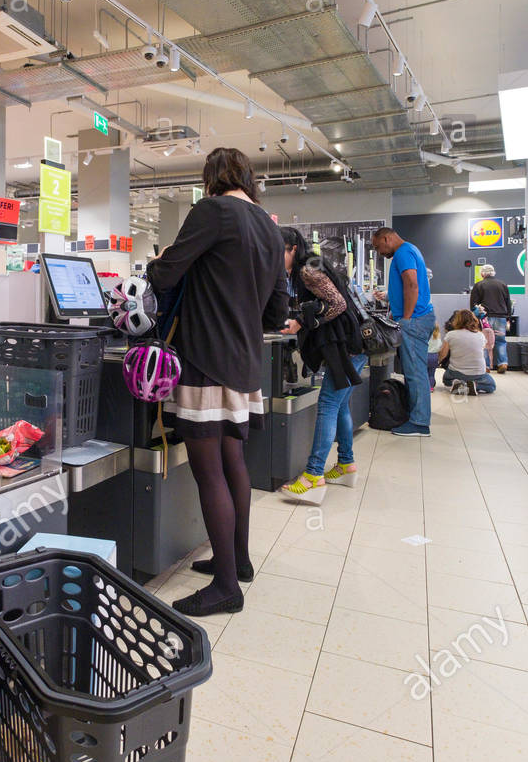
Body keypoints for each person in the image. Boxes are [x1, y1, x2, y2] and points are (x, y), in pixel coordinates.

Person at [146, 148, 287, 617]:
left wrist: (158, 261)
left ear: (212, 178)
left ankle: (226, 586)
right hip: (246, 363)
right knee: (233, 463)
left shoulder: (212, 211)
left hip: (205, 358)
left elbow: (167, 273)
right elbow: (278, 312)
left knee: (208, 472)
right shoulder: (268, 225)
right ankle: (238, 561)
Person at [278, 227, 367, 495]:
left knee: (328, 404)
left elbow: (337, 303)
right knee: (339, 407)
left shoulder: (307, 270)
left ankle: (314, 475)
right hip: (352, 343)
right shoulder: (313, 263)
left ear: (293, 249)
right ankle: (346, 464)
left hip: (347, 346)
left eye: (278, 251)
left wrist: (301, 321)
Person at [371, 227, 436, 437]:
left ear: (386, 238)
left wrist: (406, 318)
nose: (379, 252)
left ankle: (419, 423)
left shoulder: (403, 253)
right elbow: (404, 286)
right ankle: (416, 416)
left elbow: (411, 284)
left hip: (414, 320)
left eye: (378, 247)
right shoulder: (408, 250)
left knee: (415, 373)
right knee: (412, 372)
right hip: (416, 318)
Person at [439, 309, 497, 395]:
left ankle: (460, 385)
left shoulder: (451, 335)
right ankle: (475, 385)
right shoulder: (480, 335)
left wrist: (437, 362)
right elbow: (482, 349)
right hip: (477, 374)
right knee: (491, 386)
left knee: (446, 380)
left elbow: (442, 355)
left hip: (456, 373)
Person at [469, 264, 513, 372]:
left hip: (485, 318)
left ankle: (486, 366)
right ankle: (502, 363)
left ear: (482, 274)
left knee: (484, 341)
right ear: (493, 272)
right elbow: (508, 302)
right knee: (501, 341)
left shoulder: (479, 285)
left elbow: (473, 304)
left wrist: (473, 316)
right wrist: (508, 317)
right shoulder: (503, 284)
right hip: (501, 317)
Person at [426, 322, 443, 392]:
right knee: (431, 374)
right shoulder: (438, 337)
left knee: (424, 373)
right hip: (434, 357)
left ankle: (424, 386)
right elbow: (440, 348)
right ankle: (431, 387)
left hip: (425, 355)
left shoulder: (425, 336)